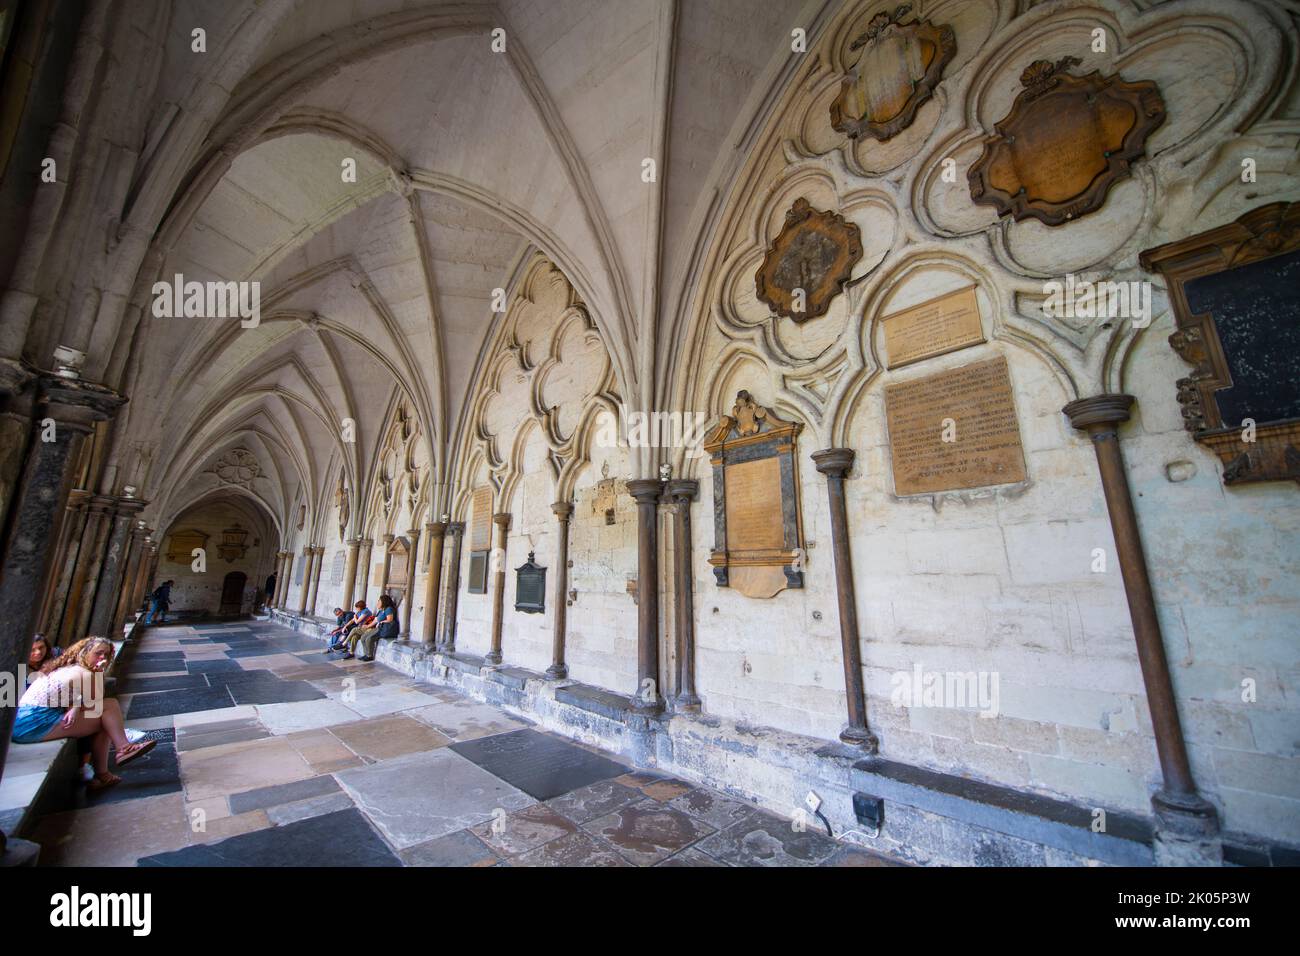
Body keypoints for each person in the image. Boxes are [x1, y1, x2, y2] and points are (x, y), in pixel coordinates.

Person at [12, 637, 155, 793]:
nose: (103, 658)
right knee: (109, 708)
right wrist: (98, 673)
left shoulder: (66, 667)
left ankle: (107, 770)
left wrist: (75, 707)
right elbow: (97, 701)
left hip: (24, 721)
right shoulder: (83, 673)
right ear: (84, 652)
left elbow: (75, 698)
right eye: (98, 653)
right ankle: (121, 751)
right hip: (33, 723)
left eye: (106, 655)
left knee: (107, 716)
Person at [346, 594, 397, 662]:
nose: (378, 602)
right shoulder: (381, 610)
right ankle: (366, 654)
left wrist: (381, 622)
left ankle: (369, 656)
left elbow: (390, 619)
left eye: (379, 601)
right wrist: (367, 626)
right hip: (378, 627)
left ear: (384, 601)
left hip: (383, 629)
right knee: (363, 637)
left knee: (369, 638)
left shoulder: (388, 609)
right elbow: (375, 621)